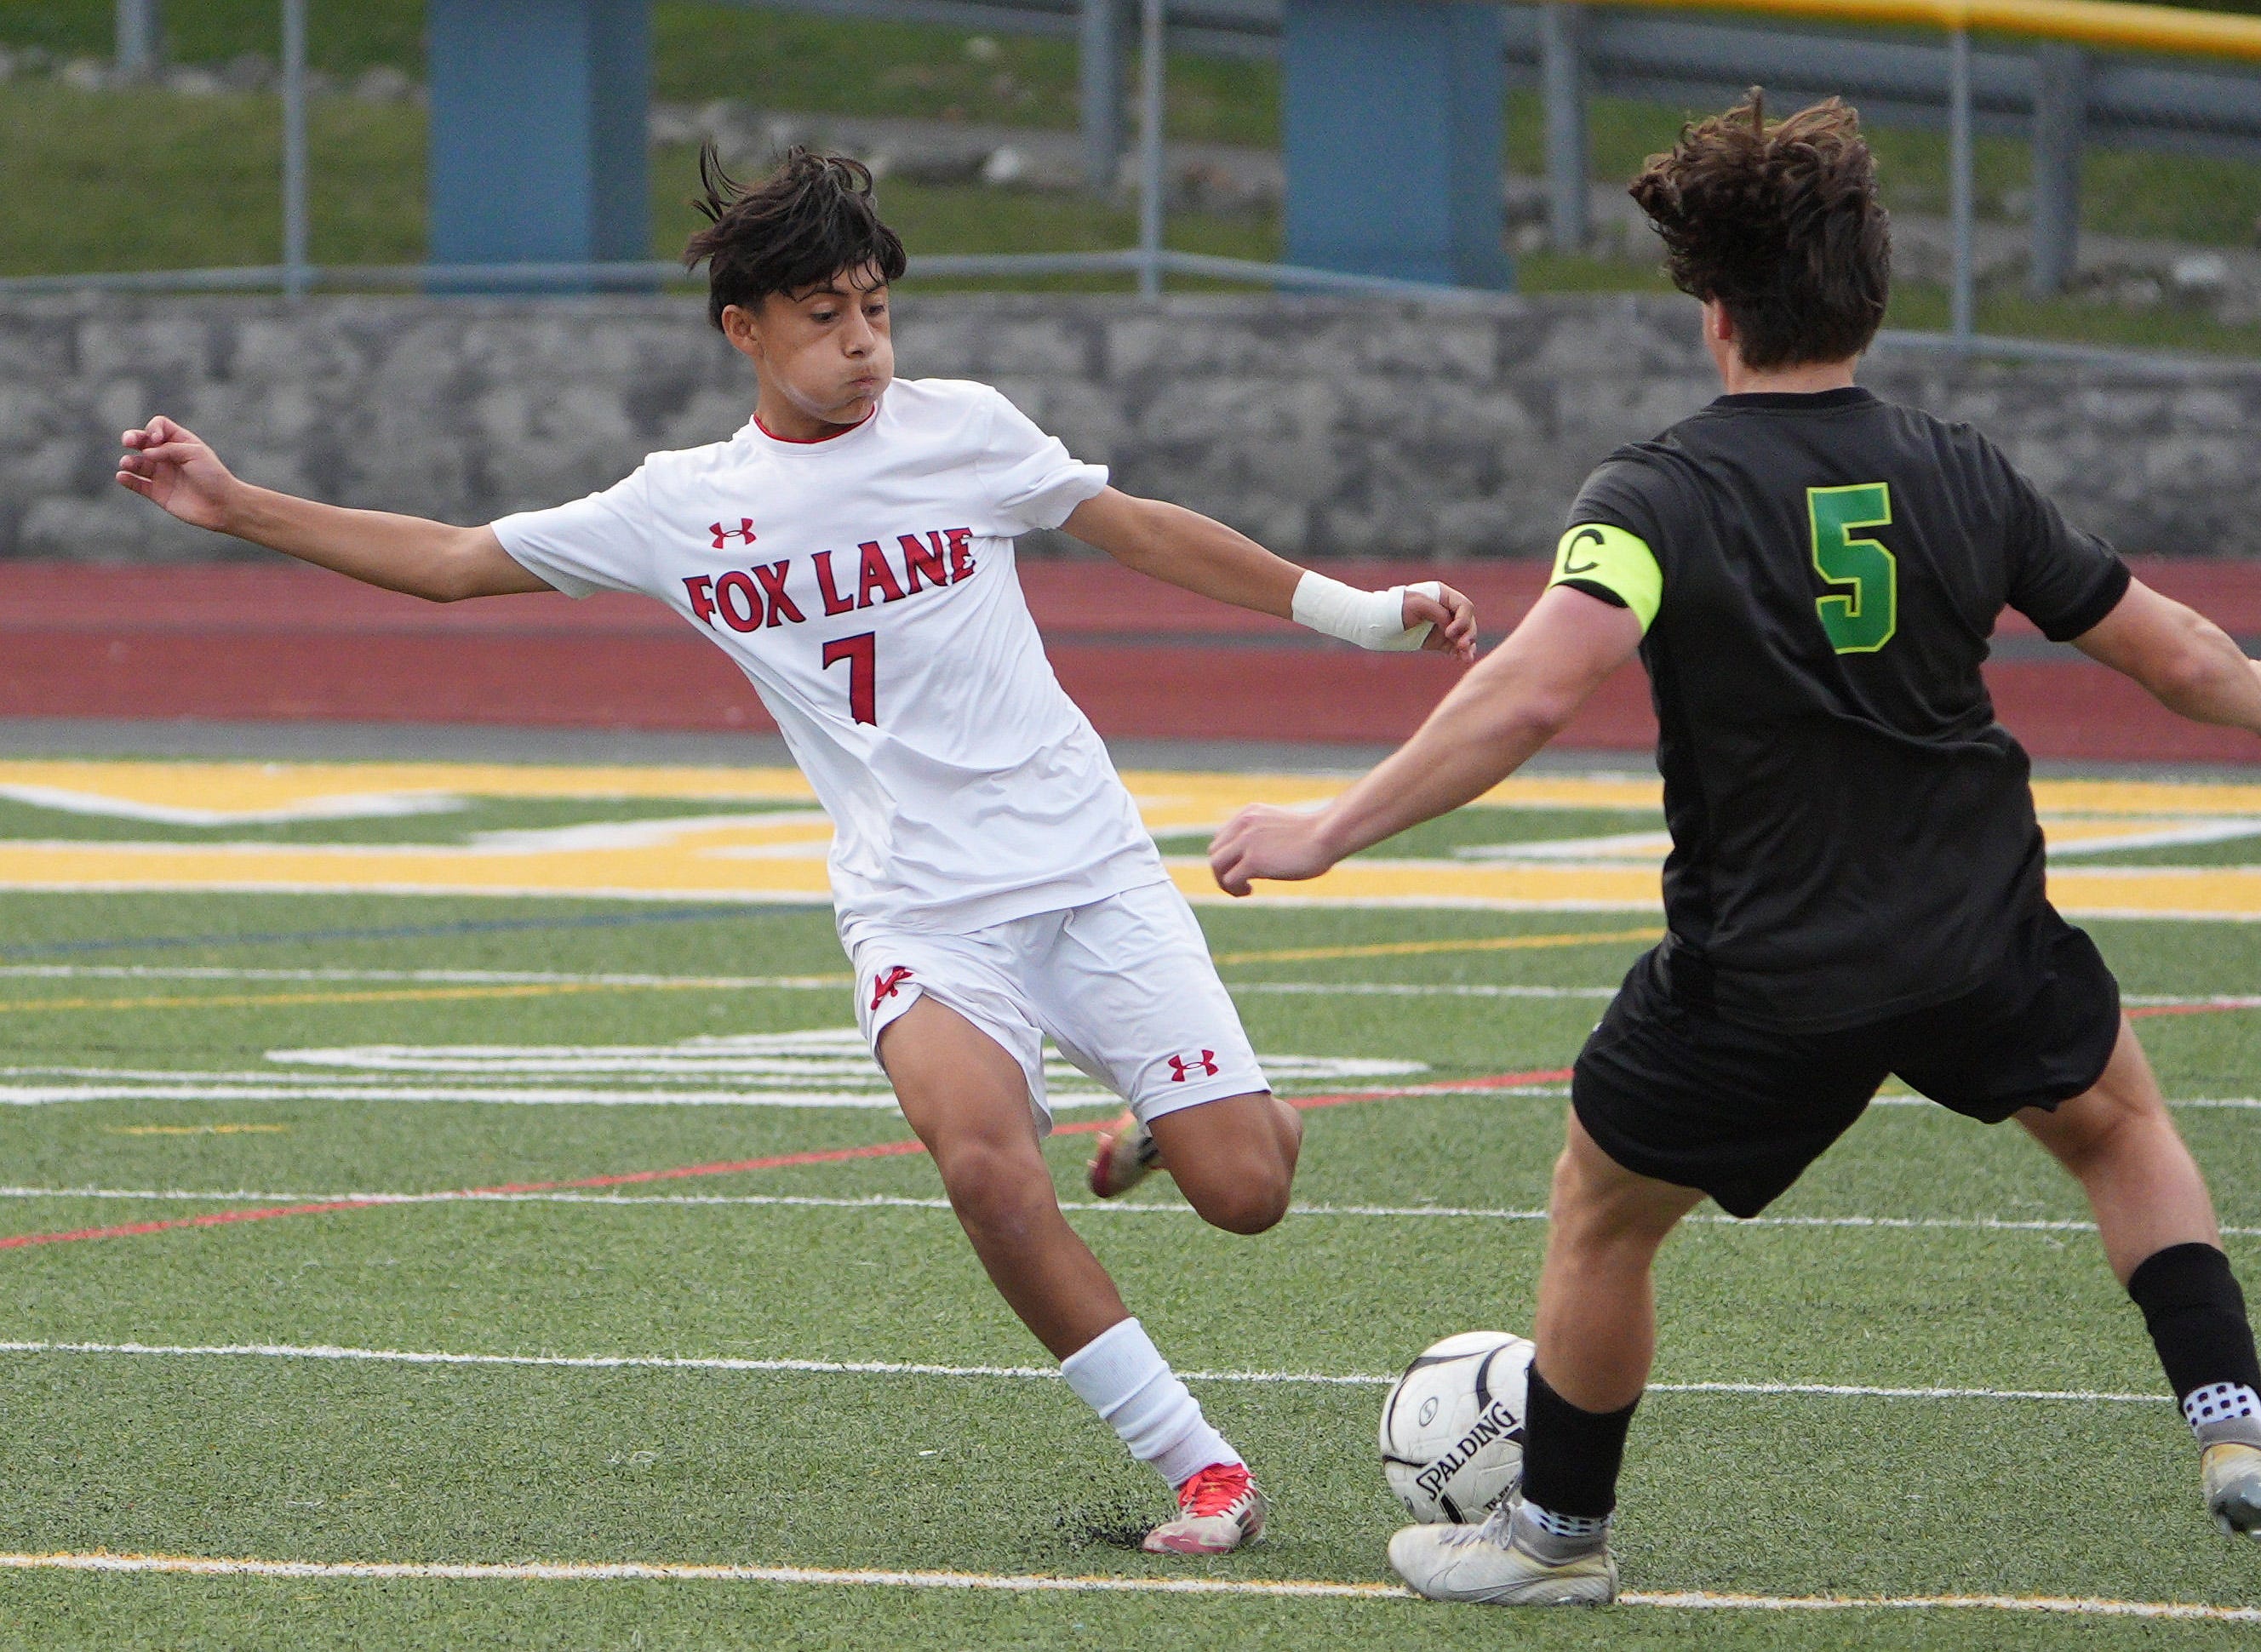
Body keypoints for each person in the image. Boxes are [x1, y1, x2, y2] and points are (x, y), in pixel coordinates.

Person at [115, 146, 1477, 1557]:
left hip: (1088, 873)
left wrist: (1360, 615)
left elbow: (1141, 531)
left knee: (1246, 1192)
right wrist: (239, 505)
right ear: (744, 329)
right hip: (919, 911)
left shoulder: (964, 429)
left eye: (875, 309)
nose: (862, 342)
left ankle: (1186, 1123)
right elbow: (456, 561)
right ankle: (1203, 1468)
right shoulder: (680, 504)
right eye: (824, 316)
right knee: (985, 1170)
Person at [1208, 92, 2261, 1603]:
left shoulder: (1658, 493)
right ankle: (2231, 1415)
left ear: (1714, 313)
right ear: (1871, 296)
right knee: (2117, 1123)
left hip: (1768, 970)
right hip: (1980, 935)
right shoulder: (1965, 467)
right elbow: (2187, 660)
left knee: (1600, 1210)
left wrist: (1327, 827)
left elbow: (1534, 689)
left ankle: (1555, 1534)